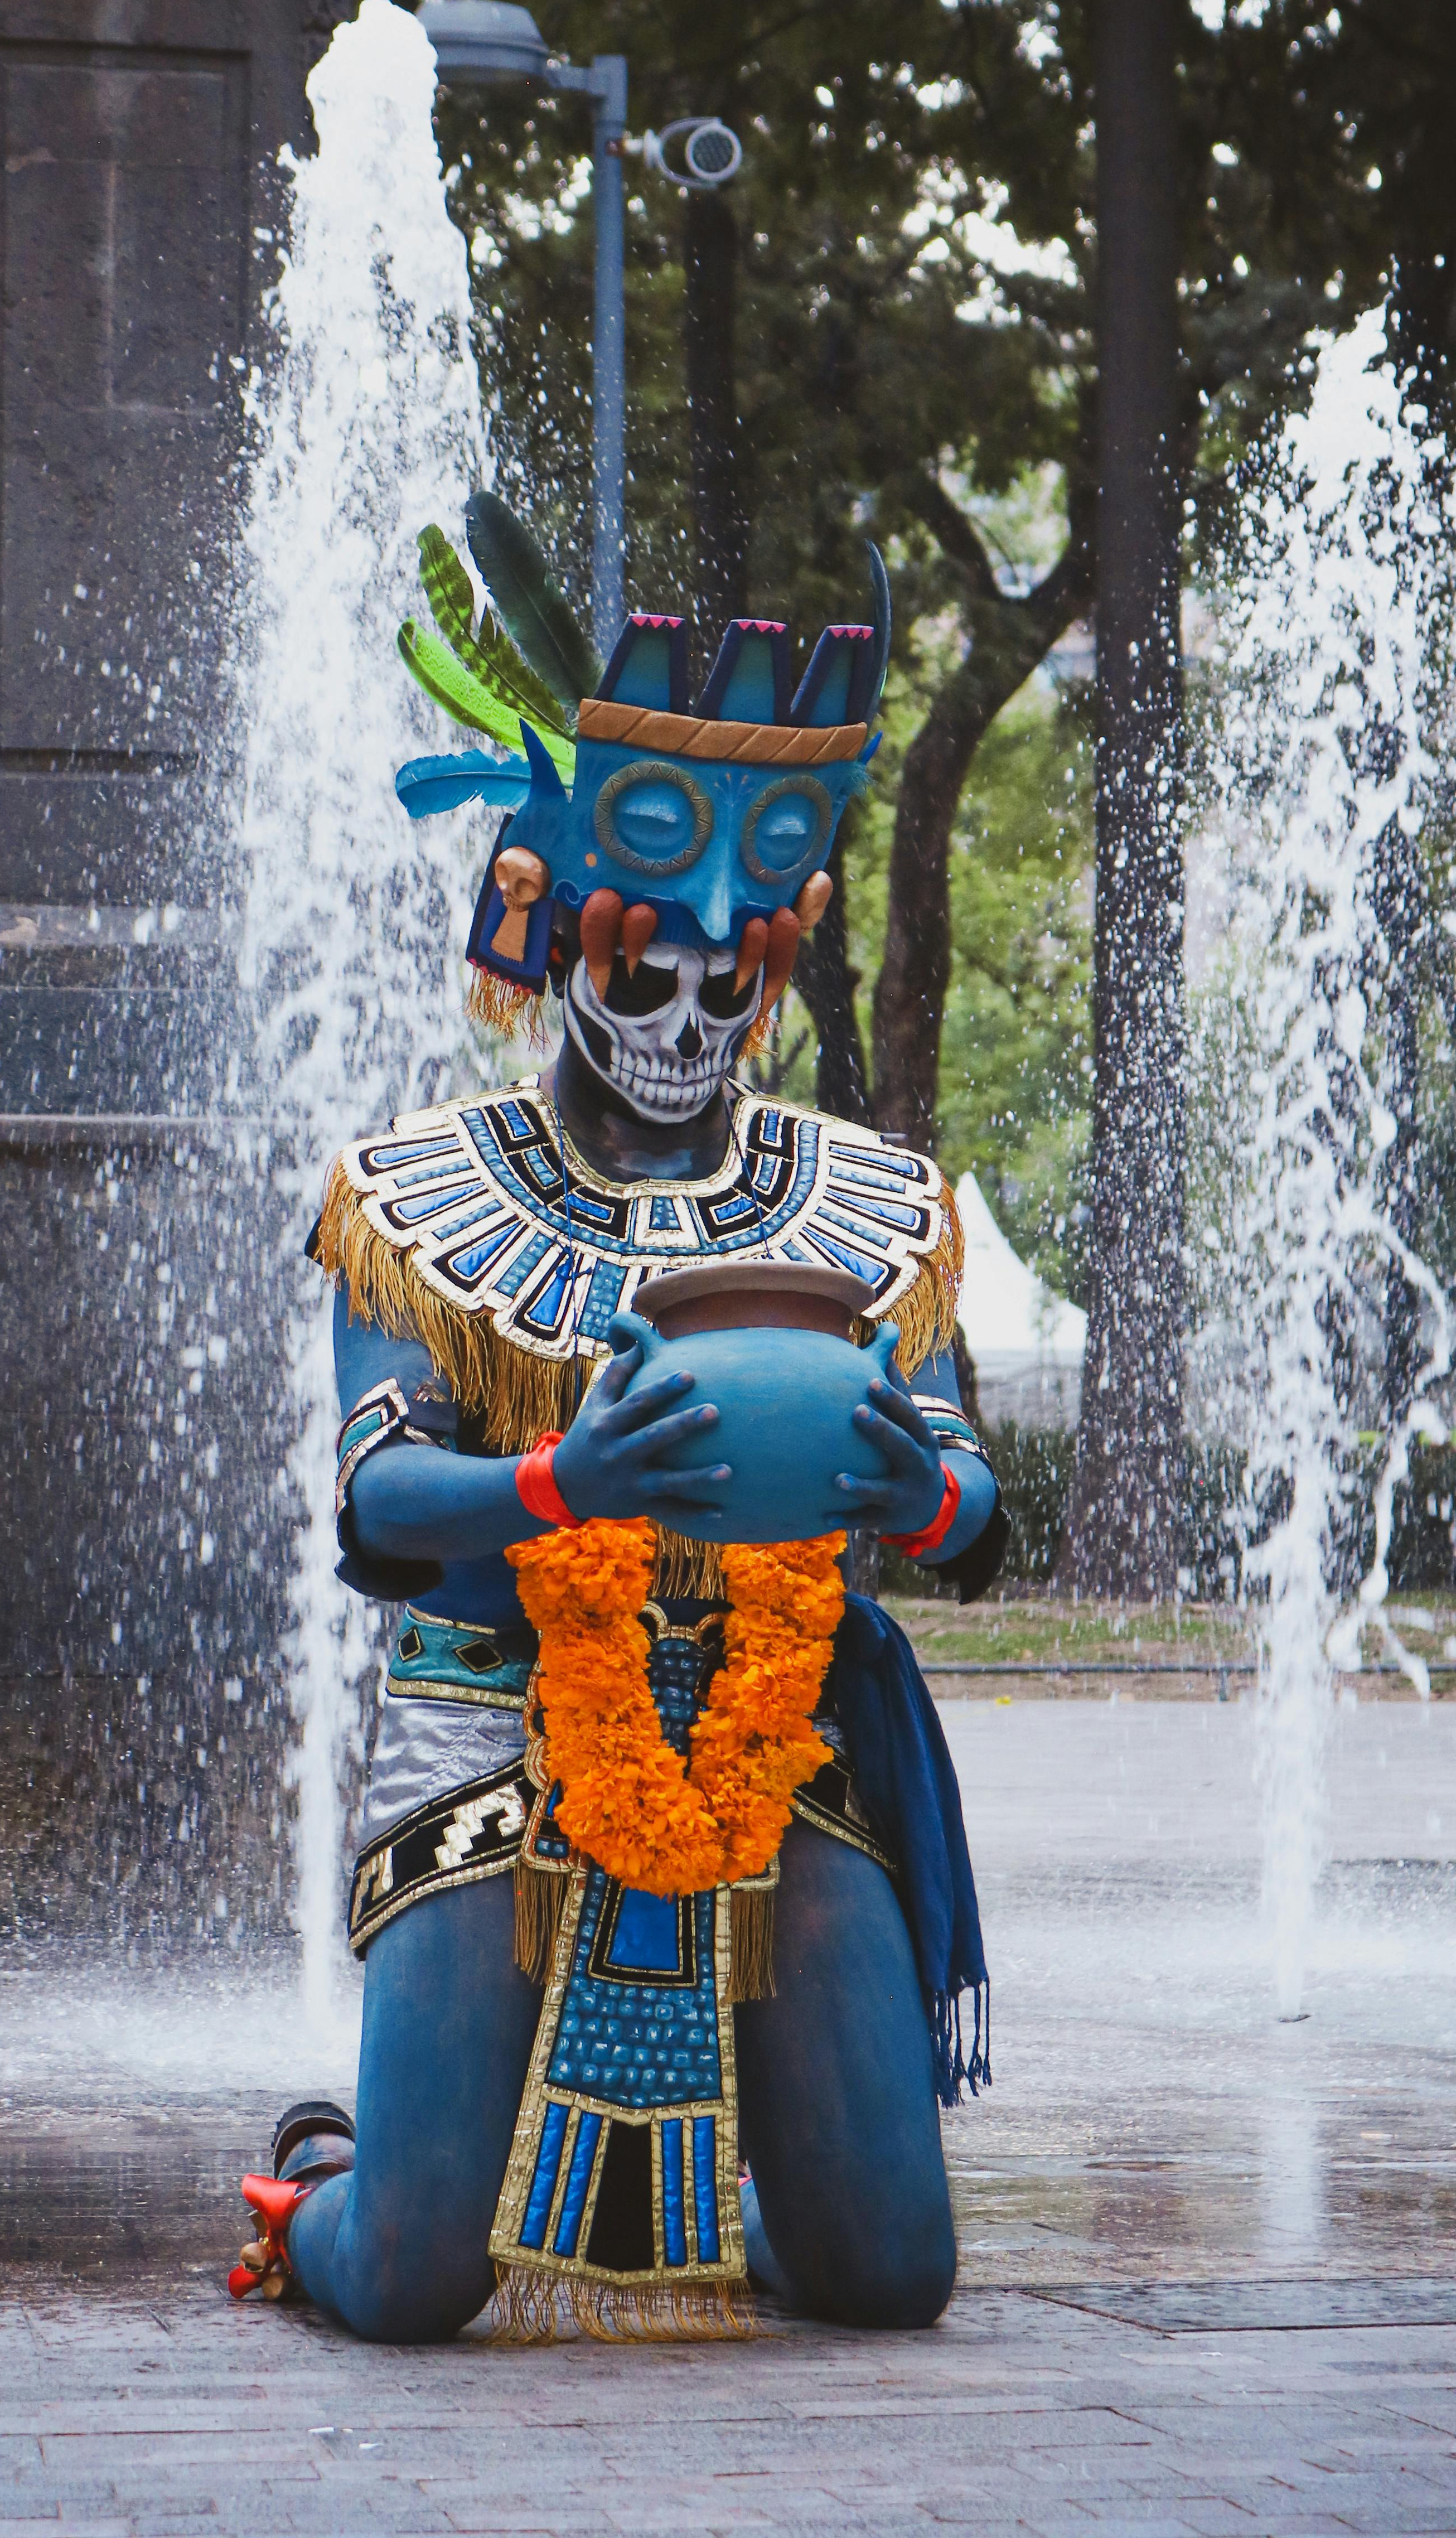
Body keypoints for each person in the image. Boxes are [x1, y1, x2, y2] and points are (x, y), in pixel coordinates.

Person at [228, 502, 1007, 2343]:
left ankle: (775, 2158)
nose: (692, 1001)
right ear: (544, 921)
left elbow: (974, 1502)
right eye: (647, 959)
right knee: (415, 2282)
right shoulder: (415, 1194)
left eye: (736, 977)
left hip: (775, 1740)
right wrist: (561, 1479)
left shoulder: (868, 1195)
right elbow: (379, 1500)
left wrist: (925, 1488)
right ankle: (316, 2186)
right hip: (493, 1713)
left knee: (894, 2274)